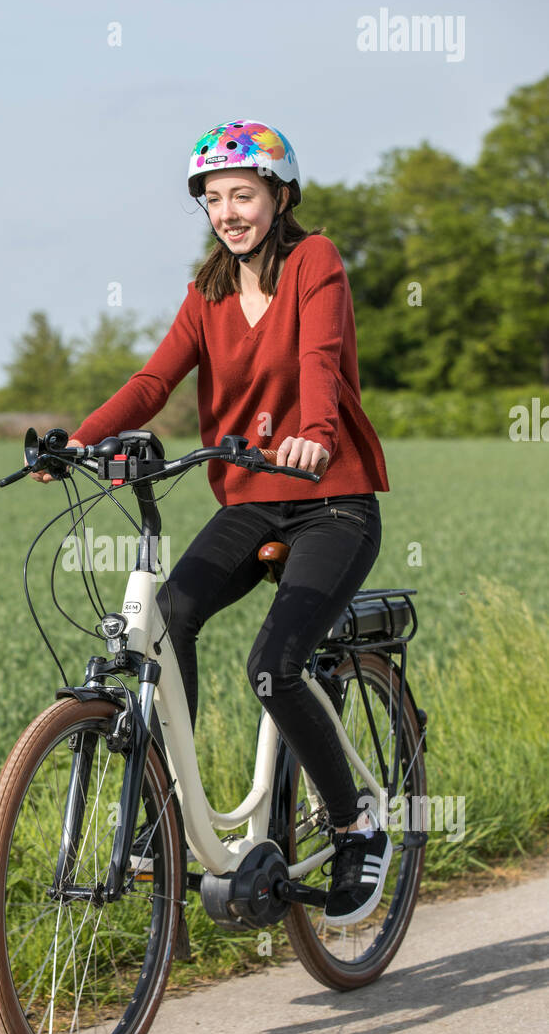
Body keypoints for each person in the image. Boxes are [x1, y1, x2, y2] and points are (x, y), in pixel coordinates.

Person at [33, 119, 391, 927]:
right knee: (166, 620)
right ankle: (175, 804)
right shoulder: (210, 293)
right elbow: (155, 379)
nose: (228, 211)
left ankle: (355, 825)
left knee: (274, 665)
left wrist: (317, 436)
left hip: (330, 496)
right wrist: (80, 439)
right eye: (214, 199)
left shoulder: (314, 261)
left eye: (243, 194)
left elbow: (319, 360)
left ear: (279, 195)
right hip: (252, 498)